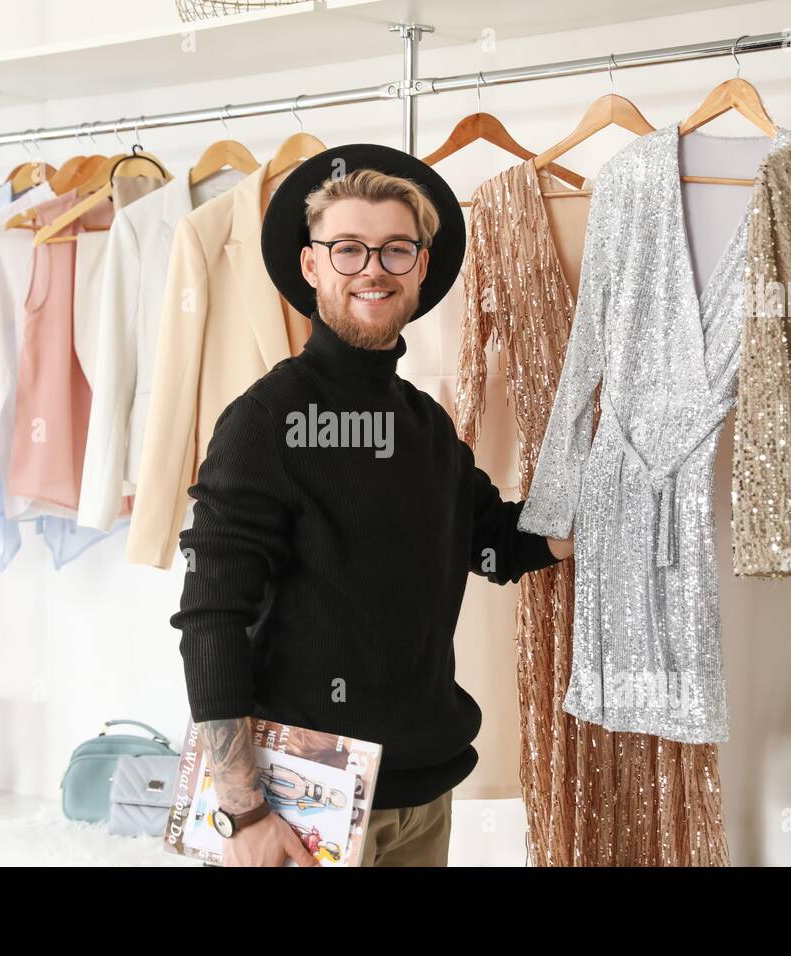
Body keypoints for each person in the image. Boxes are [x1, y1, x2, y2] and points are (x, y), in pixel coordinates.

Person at [171, 144, 572, 867]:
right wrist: (242, 809)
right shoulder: (266, 422)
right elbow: (211, 619)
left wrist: (597, 513)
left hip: (423, 788)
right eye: (348, 249)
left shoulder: (425, 425)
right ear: (312, 266)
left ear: (421, 265)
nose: (373, 271)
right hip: (296, 796)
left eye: (395, 250)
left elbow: (495, 542)